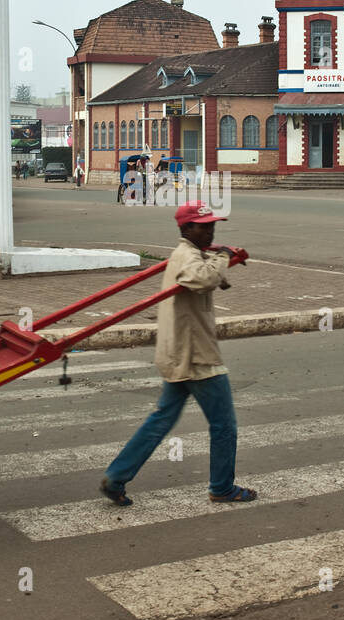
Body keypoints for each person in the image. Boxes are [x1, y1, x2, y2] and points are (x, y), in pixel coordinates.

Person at [101, 200, 257, 506]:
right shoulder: (187, 255)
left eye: (212, 225)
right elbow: (202, 278)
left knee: (160, 420)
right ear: (186, 228)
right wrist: (224, 258)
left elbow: (207, 276)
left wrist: (220, 266)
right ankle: (222, 487)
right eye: (204, 226)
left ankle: (117, 476)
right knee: (224, 425)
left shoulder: (189, 254)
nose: (210, 231)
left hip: (177, 353)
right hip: (197, 357)